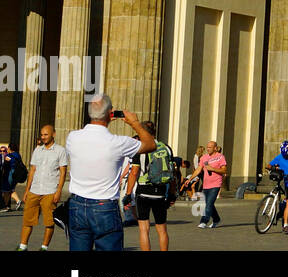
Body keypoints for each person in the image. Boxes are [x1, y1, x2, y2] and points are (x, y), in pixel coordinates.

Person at [65, 96, 155, 251]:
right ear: (110, 113)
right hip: (104, 206)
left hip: (77, 204)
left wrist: (104, 117)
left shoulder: (72, 137)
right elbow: (150, 144)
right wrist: (134, 123)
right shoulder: (118, 142)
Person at [125, 121, 175, 251]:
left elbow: (134, 172)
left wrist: (128, 193)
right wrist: (172, 193)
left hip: (143, 191)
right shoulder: (166, 148)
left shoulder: (140, 149)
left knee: (144, 229)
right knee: (162, 228)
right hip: (161, 191)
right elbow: (172, 172)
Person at [18, 124, 67, 251]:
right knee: (27, 220)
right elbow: (32, 171)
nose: (43, 137)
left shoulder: (60, 151)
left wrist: (58, 191)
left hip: (50, 191)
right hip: (34, 190)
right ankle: (23, 246)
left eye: (46, 134)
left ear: (53, 134)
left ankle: (44, 247)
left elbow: (63, 172)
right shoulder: (37, 150)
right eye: (42, 135)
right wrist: (26, 191)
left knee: (49, 222)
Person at [184, 140, 226, 229]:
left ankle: (203, 221)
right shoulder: (204, 158)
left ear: (215, 148)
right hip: (206, 184)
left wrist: (213, 169)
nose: (208, 149)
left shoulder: (220, 157)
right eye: (207, 147)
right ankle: (216, 219)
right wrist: (190, 179)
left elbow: (224, 170)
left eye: (210, 147)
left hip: (216, 184)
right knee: (208, 204)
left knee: (209, 204)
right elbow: (198, 169)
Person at [0, 143, 25, 211]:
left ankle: (6, 206)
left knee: (7, 189)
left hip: (10, 173)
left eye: (8, 148)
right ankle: (8, 206)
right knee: (10, 189)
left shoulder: (9, 155)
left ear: (10, 148)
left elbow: (5, 164)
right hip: (17, 174)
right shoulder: (18, 155)